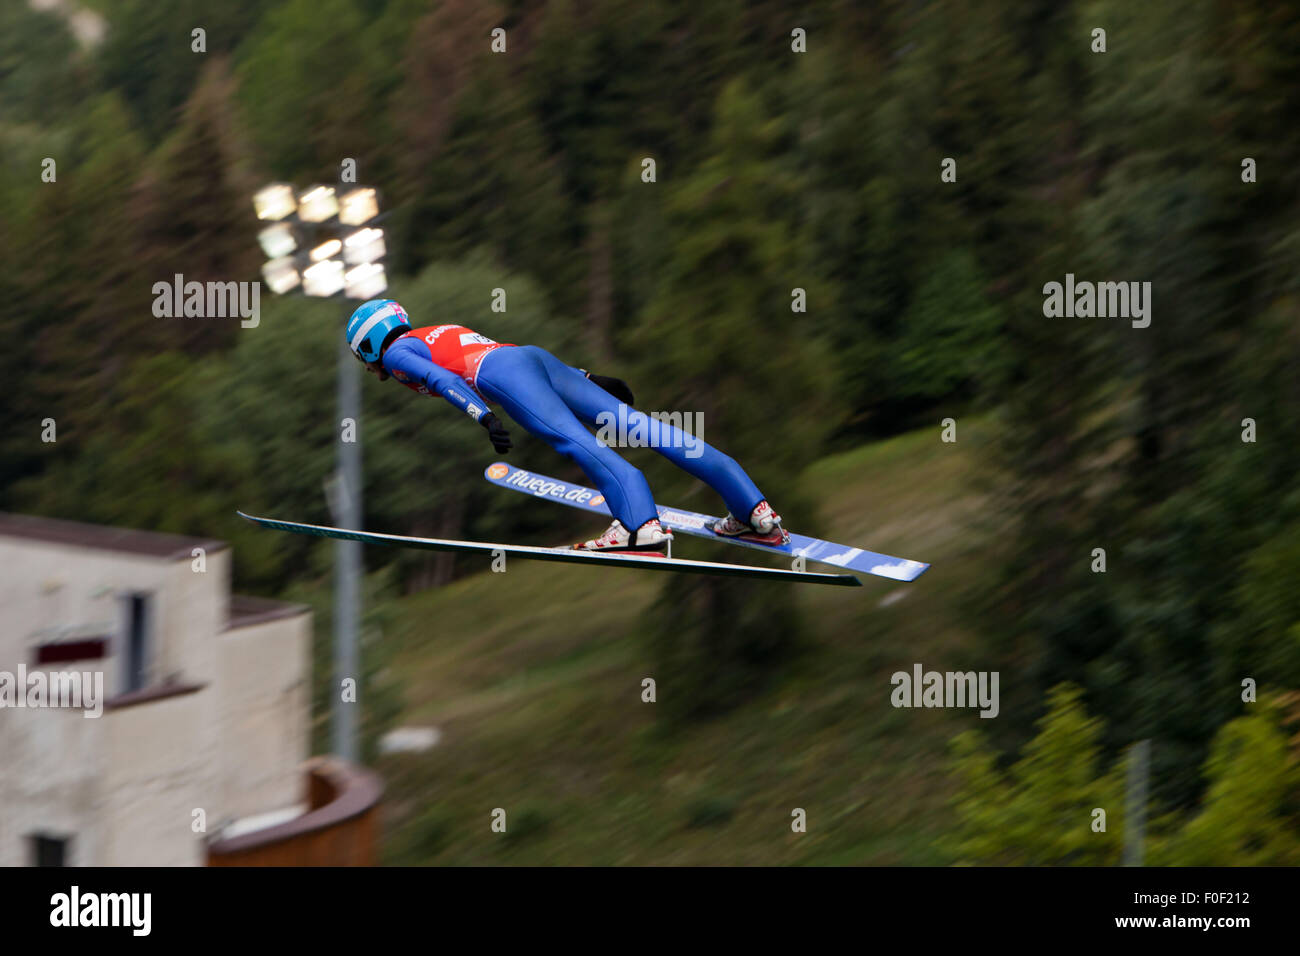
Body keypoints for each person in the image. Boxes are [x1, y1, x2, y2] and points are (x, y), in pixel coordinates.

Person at [345, 298, 786, 552]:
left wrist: (482, 415)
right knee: (643, 427)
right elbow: (505, 354)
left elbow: (442, 379)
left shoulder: (396, 354)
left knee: (574, 441)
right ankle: (754, 510)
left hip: (503, 375)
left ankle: (639, 527)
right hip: (530, 359)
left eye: (361, 356)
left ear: (368, 346)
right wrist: (588, 379)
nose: (367, 366)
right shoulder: (430, 332)